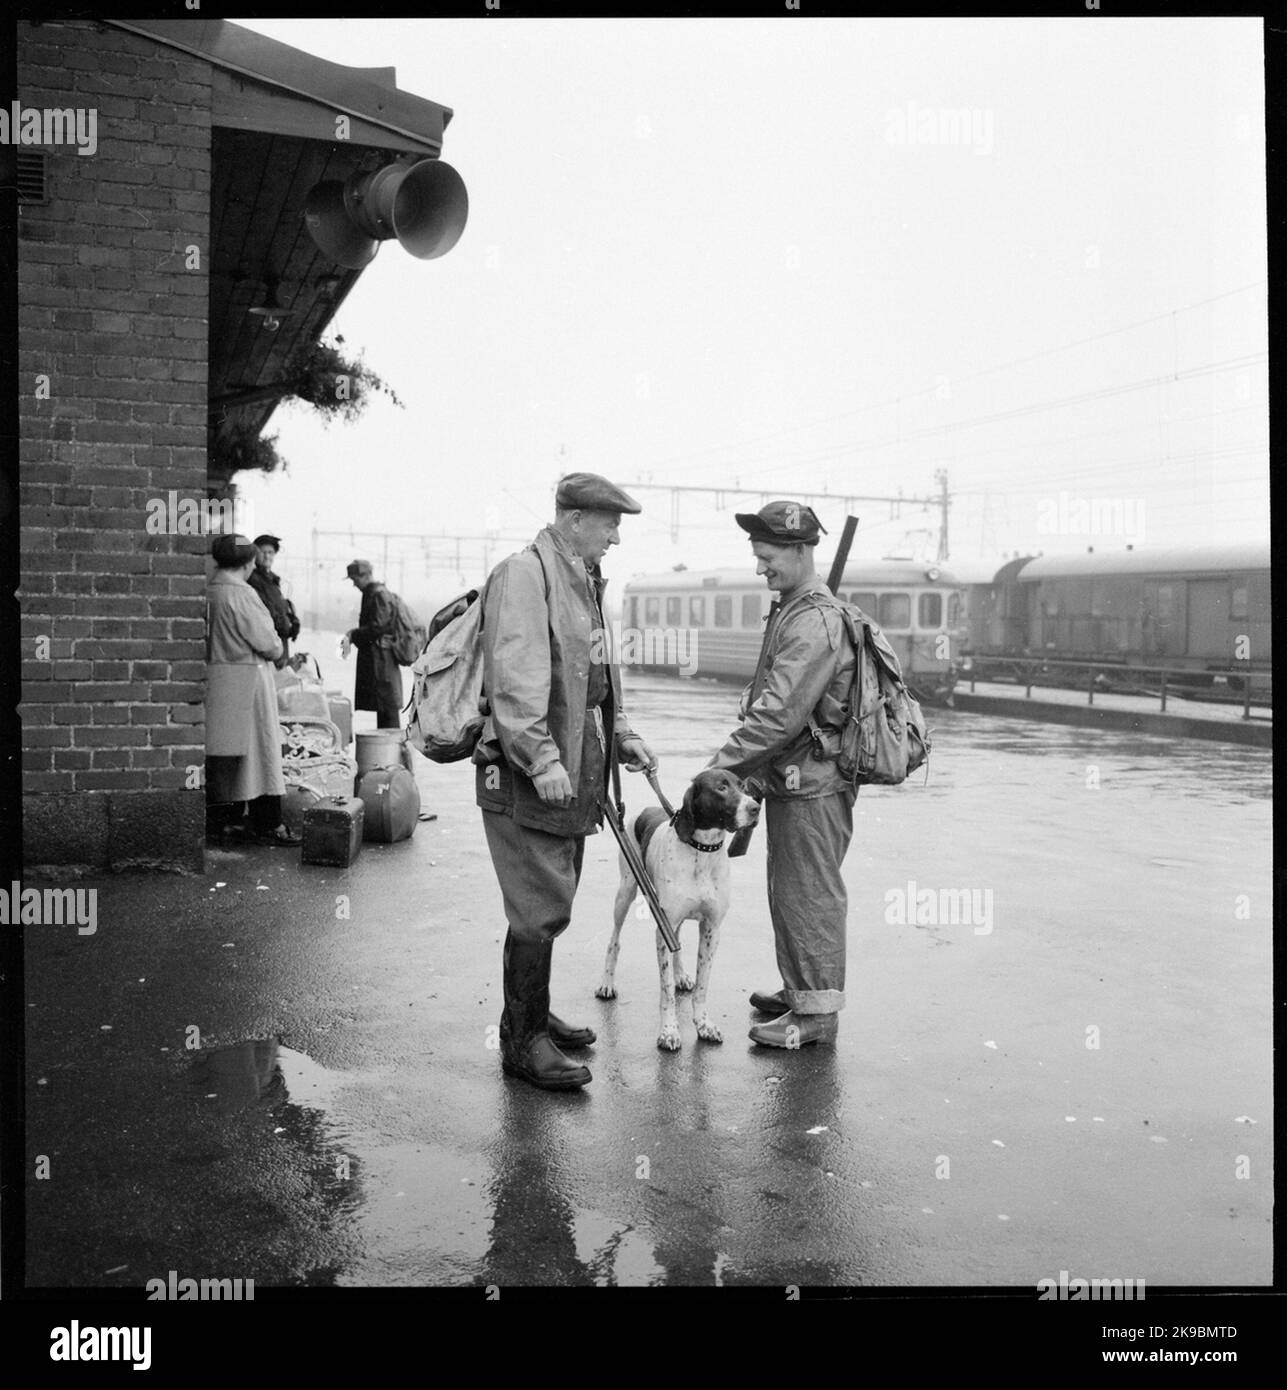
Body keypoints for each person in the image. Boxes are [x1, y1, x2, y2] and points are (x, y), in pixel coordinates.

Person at [474, 473, 657, 1092]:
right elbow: (516, 678)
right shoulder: (525, 575)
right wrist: (543, 760)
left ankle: (531, 1014)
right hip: (533, 771)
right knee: (537, 902)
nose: (615, 538)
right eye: (609, 526)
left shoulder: (582, 578)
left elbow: (600, 671)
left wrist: (622, 729)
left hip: (574, 764)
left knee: (551, 896)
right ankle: (523, 1043)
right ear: (576, 520)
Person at [706, 501, 857, 1047]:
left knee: (808, 892)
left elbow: (778, 715)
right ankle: (802, 990)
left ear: (798, 551)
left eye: (767, 557)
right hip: (796, 777)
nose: (759, 567)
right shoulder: (793, 606)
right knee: (789, 888)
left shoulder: (813, 619)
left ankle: (815, 1014)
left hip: (813, 783)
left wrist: (716, 771)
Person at [205, 534, 301, 846]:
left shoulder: (209, 591)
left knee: (223, 757)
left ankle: (221, 821)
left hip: (218, 678)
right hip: (250, 678)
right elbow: (270, 643)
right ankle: (268, 824)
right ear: (248, 564)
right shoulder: (243, 594)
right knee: (261, 755)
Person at [341, 560, 403, 729]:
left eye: (355, 580)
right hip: (380, 659)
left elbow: (379, 626)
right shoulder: (375, 593)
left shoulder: (377, 594)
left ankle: (391, 750)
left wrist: (354, 634)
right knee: (384, 706)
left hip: (382, 660)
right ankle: (388, 750)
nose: (354, 584)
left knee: (387, 707)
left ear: (366, 576)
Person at [247, 533, 300, 668]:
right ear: (254, 554)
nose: (267, 556)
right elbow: (266, 609)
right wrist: (287, 626)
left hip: (279, 641)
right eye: (263, 552)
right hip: (269, 643)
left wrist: (292, 620)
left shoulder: (273, 580)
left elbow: (279, 608)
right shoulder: (253, 579)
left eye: (271, 552)